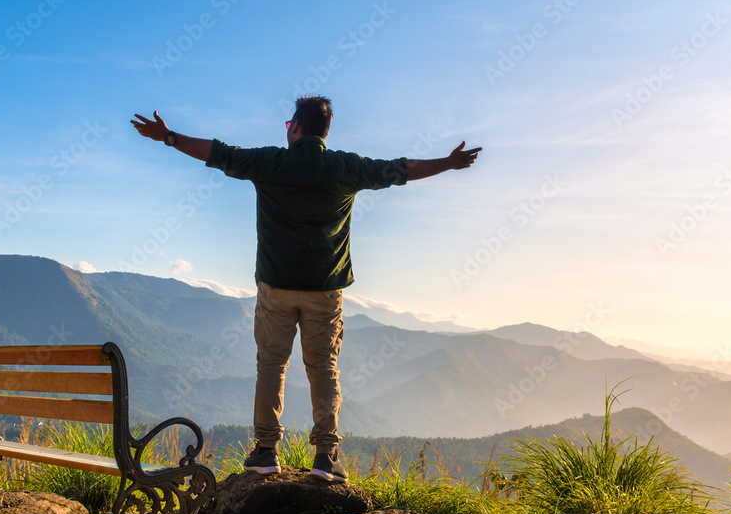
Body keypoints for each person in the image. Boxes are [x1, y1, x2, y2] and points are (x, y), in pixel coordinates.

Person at [131, 95, 481, 483]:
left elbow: (219, 153)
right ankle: (326, 456)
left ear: (296, 127)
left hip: (276, 287)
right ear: (325, 132)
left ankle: (265, 451)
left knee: (271, 366)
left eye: (287, 126)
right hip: (324, 290)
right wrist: (447, 163)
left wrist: (168, 137)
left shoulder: (270, 162)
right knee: (324, 368)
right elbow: (399, 170)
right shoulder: (347, 166)